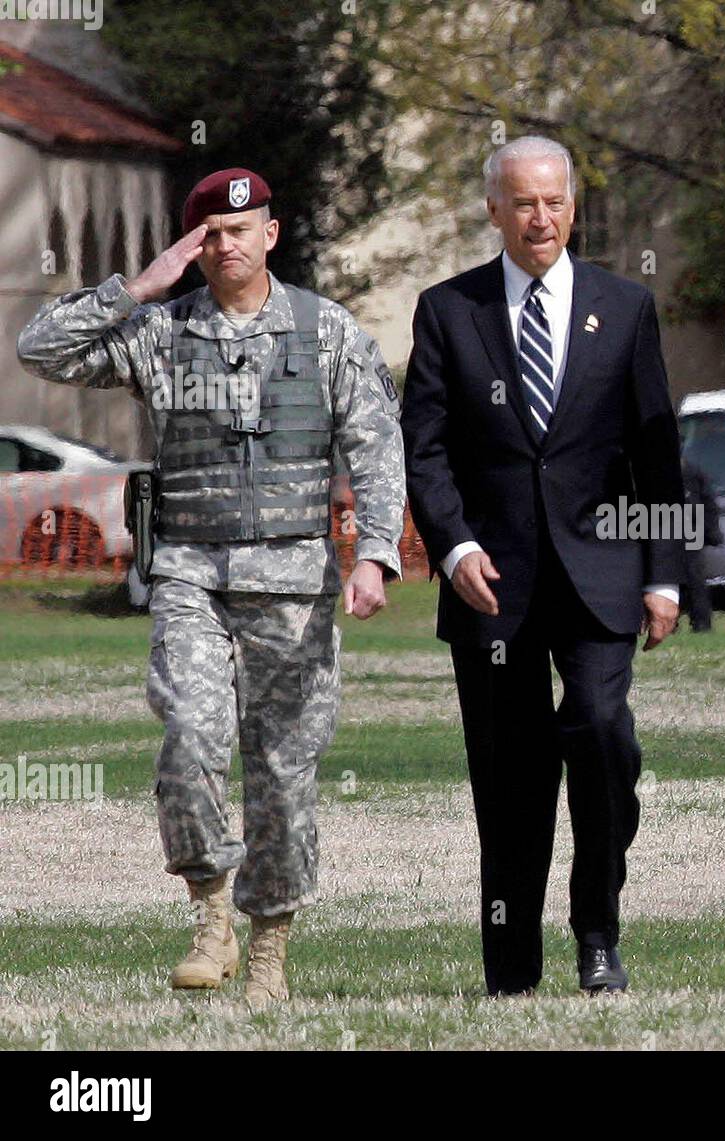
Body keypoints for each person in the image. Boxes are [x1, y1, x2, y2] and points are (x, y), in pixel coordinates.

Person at [17, 168, 405, 1008]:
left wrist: (374, 552)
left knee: (283, 771)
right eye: (211, 234)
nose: (227, 244)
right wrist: (136, 287)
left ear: (271, 233)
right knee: (191, 736)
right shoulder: (161, 331)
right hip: (192, 570)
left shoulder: (324, 330)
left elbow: (376, 444)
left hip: (295, 583)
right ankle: (211, 908)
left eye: (243, 229)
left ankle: (270, 945)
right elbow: (38, 346)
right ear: (196, 246)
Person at [401, 136, 686, 996]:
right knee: (511, 779)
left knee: (601, 735)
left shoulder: (625, 307)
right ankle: (511, 967)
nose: (541, 218)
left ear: (573, 206)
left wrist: (664, 573)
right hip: (493, 584)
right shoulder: (449, 311)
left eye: (554, 201)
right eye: (523, 203)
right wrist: (451, 546)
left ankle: (598, 928)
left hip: (601, 576)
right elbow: (426, 449)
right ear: (494, 209)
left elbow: (656, 454)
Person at [680, 457, 723, 632]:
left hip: (690, 531)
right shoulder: (690, 470)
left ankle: (702, 623)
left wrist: (711, 530)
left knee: (694, 578)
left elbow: (707, 502)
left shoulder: (691, 471)